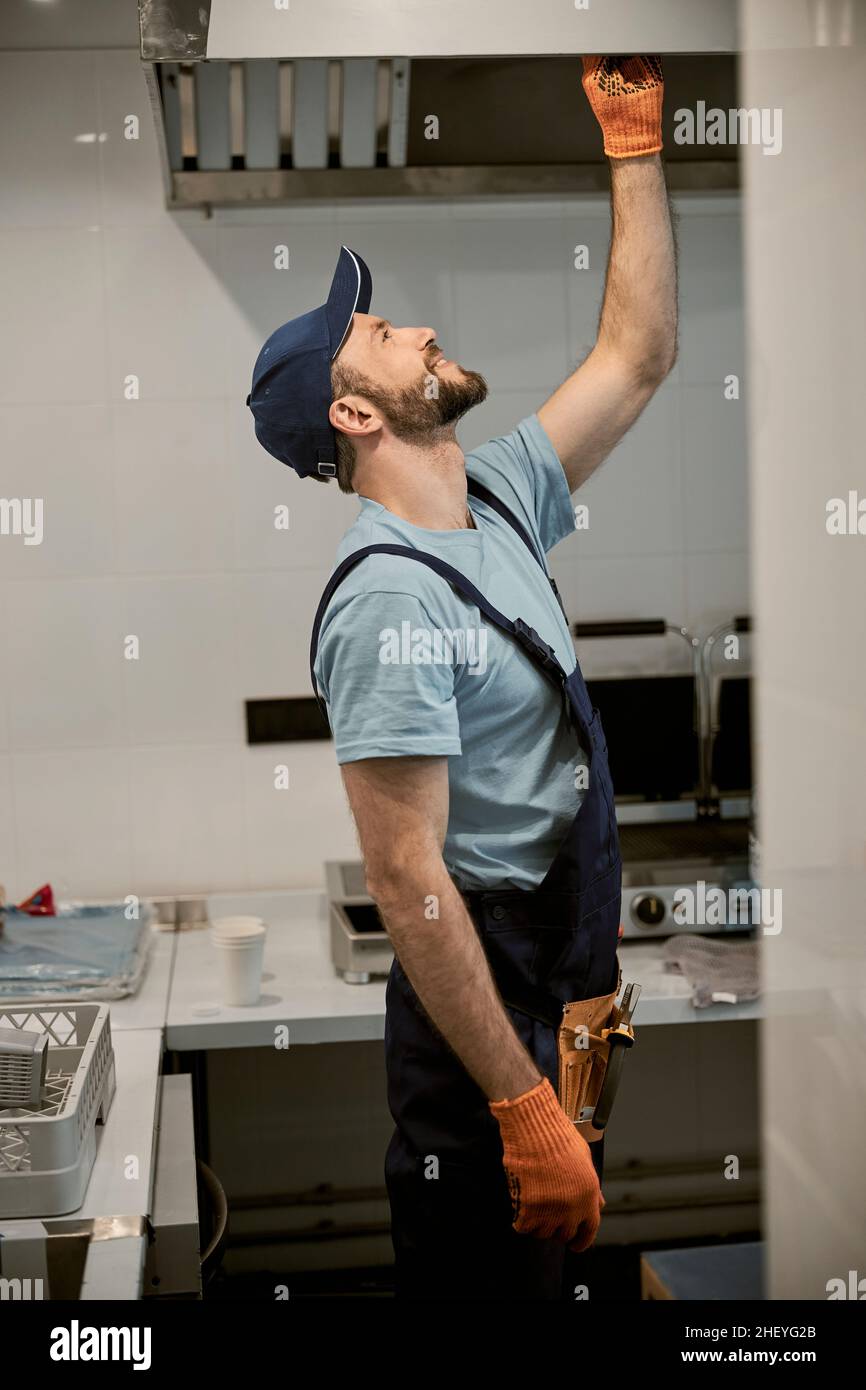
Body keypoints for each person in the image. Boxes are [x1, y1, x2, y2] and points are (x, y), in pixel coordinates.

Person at [247, 56, 677, 1300]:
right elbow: (405, 874)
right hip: (481, 1040)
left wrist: (633, 146)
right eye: (383, 337)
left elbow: (639, 354)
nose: (419, 329)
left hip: (559, 987)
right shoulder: (387, 594)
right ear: (357, 416)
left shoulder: (495, 496)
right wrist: (523, 1107)